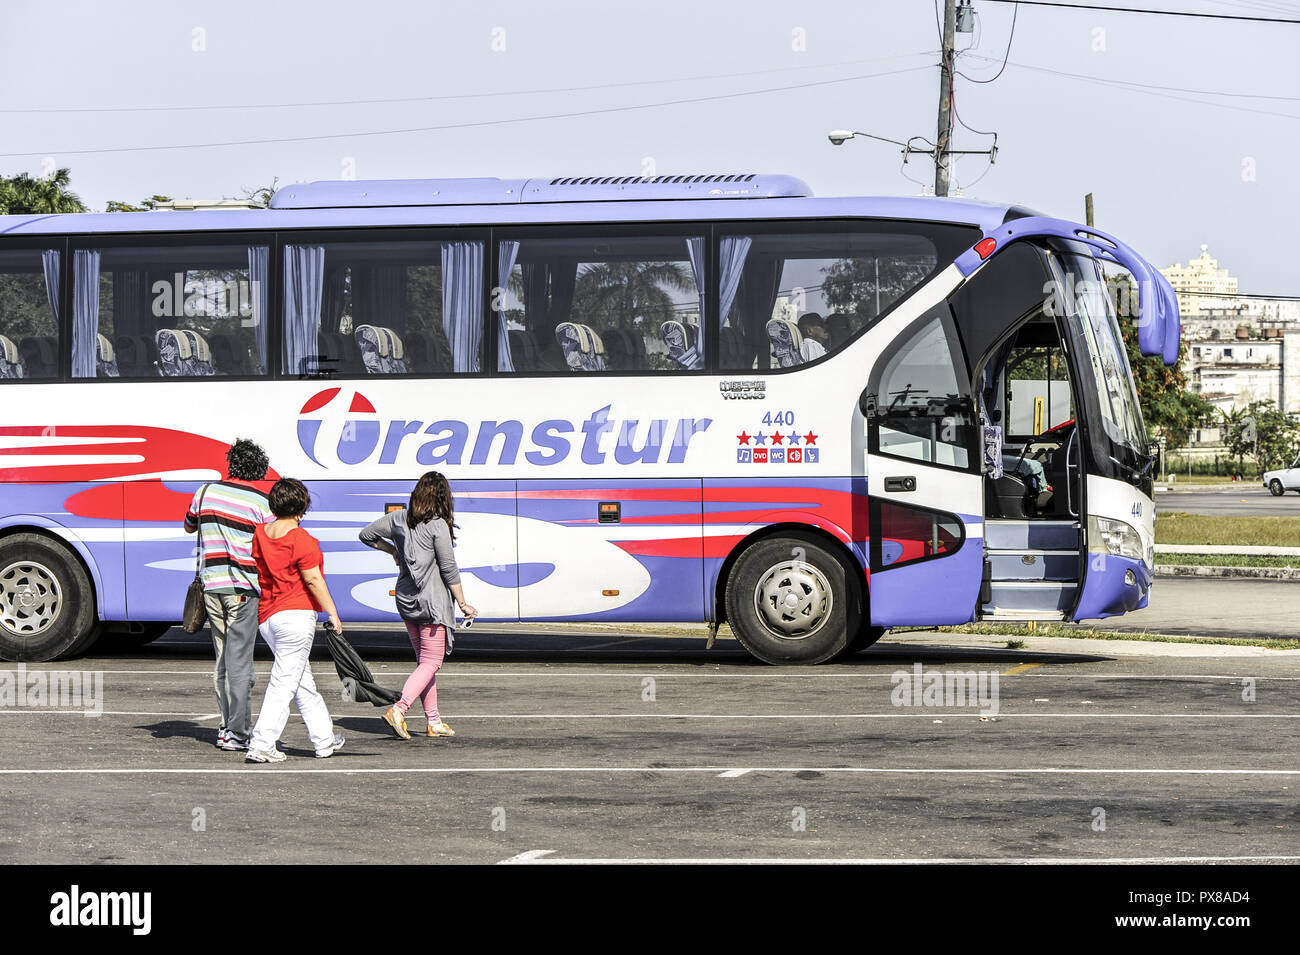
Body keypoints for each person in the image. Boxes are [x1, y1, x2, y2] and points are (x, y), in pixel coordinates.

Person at [359, 471, 477, 741]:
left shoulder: (398, 518)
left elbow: (365, 534)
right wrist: (463, 603)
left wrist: (393, 551)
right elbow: (449, 568)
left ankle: (434, 721)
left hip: (407, 600)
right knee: (432, 662)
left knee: (424, 663)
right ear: (442, 497)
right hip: (432, 603)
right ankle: (399, 710)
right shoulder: (438, 526)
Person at [244, 478, 345, 763]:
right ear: (302, 507)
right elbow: (313, 579)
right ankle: (262, 743)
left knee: (301, 680)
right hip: (296, 616)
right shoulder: (302, 539)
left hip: (269, 617)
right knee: (284, 682)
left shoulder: (261, 533)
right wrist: (333, 613)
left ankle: (324, 740)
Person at [183, 438, 273, 752]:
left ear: (231, 464)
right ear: (257, 469)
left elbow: (188, 526)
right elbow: (273, 541)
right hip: (244, 589)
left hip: (212, 587)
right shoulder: (261, 502)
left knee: (222, 658)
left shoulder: (204, 492)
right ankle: (238, 732)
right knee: (241, 664)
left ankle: (224, 727)